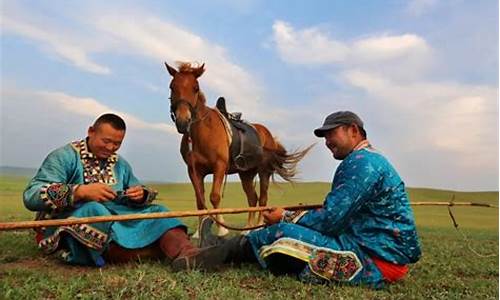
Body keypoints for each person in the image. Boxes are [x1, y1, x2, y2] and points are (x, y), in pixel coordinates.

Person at [173, 111, 422, 288]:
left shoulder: (361, 163)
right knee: (286, 239)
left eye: (331, 134)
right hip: (373, 247)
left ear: (353, 130)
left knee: (282, 234)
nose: (326, 142)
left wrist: (285, 216)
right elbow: (341, 212)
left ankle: (217, 254)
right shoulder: (369, 160)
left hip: (374, 258)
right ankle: (221, 246)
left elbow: (330, 221)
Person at [23, 113, 199, 267]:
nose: (110, 148)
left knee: (158, 212)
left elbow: (136, 189)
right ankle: (149, 250)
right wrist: (80, 192)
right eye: (106, 141)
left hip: (116, 217)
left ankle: (189, 254)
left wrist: (140, 195)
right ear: (91, 131)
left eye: (117, 144)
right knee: (96, 210)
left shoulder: (120, 164)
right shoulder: (64, 156)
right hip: (70, 220)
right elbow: (31, 195)